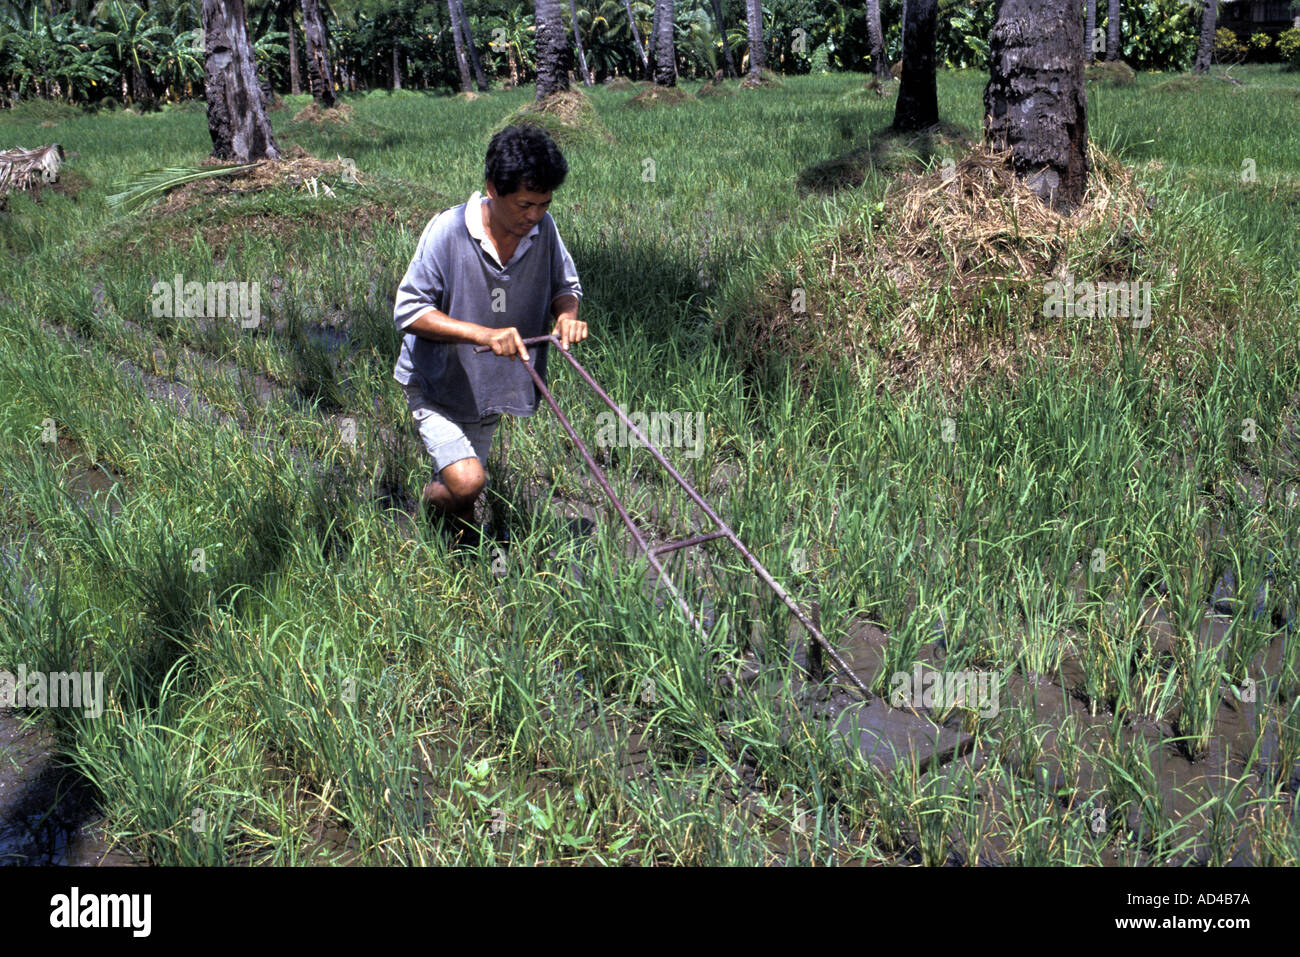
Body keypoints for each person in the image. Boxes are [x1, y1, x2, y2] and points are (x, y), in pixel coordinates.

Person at [392, 125, 587, 547]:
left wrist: (567, 316)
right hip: (437, 382)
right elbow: (408, 311)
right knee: (466, 482)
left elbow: (564, 286)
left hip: (490, 387)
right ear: (492, 189)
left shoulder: (543, 230)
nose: (533, 215)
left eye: (544, 203)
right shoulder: (447, 231)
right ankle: (431, 505)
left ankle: (460, 548)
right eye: (524, 204)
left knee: (467, 487)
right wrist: (483, 332)